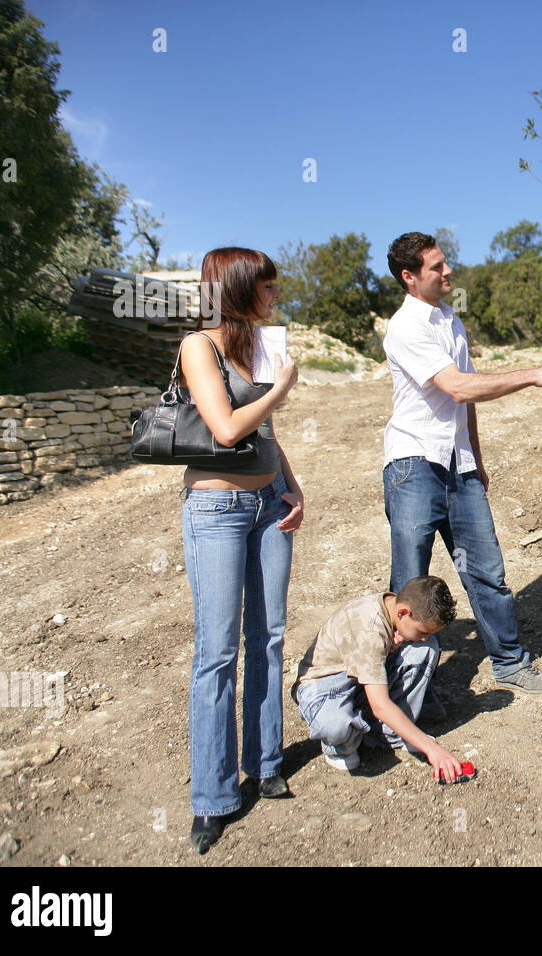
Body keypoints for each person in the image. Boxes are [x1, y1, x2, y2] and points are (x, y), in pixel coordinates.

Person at [381, 231, 542, 696]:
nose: (448, 272)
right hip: (414, 466)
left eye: (445, 263)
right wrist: (535, 376)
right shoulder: (405, 326)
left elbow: (468, 399)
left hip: (458, 466)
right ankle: (412, 688)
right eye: (437, 267)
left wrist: (476, 458)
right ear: (409, 277)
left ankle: (510, 661)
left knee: (487, 571)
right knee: (410, 585)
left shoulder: (451, 322)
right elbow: (458, 387)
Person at [179, 247, 305, 854]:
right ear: (237, 288)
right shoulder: (196, 347)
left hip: (266, 505)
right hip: (217, 510)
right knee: (216, 652)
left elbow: (267, 434)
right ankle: (213, 796)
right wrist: (280, 388)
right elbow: (228, 428)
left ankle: (267, 760)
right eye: (268, 288)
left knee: (270, 637)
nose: (276, 296)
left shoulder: (260, 343)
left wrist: (290, 486)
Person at [292, 576, 464, 782]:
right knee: (336, 726)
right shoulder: (370, 628)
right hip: (324, 683)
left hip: (357, 679)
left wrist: (394, 641)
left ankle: (388, 732)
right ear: (403, 613)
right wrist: (432, 749)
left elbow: (377, 652)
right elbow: (380, 705)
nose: (425, 636)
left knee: (424, 649)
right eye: (422, 631)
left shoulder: (392, 607)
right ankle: (339, 746)